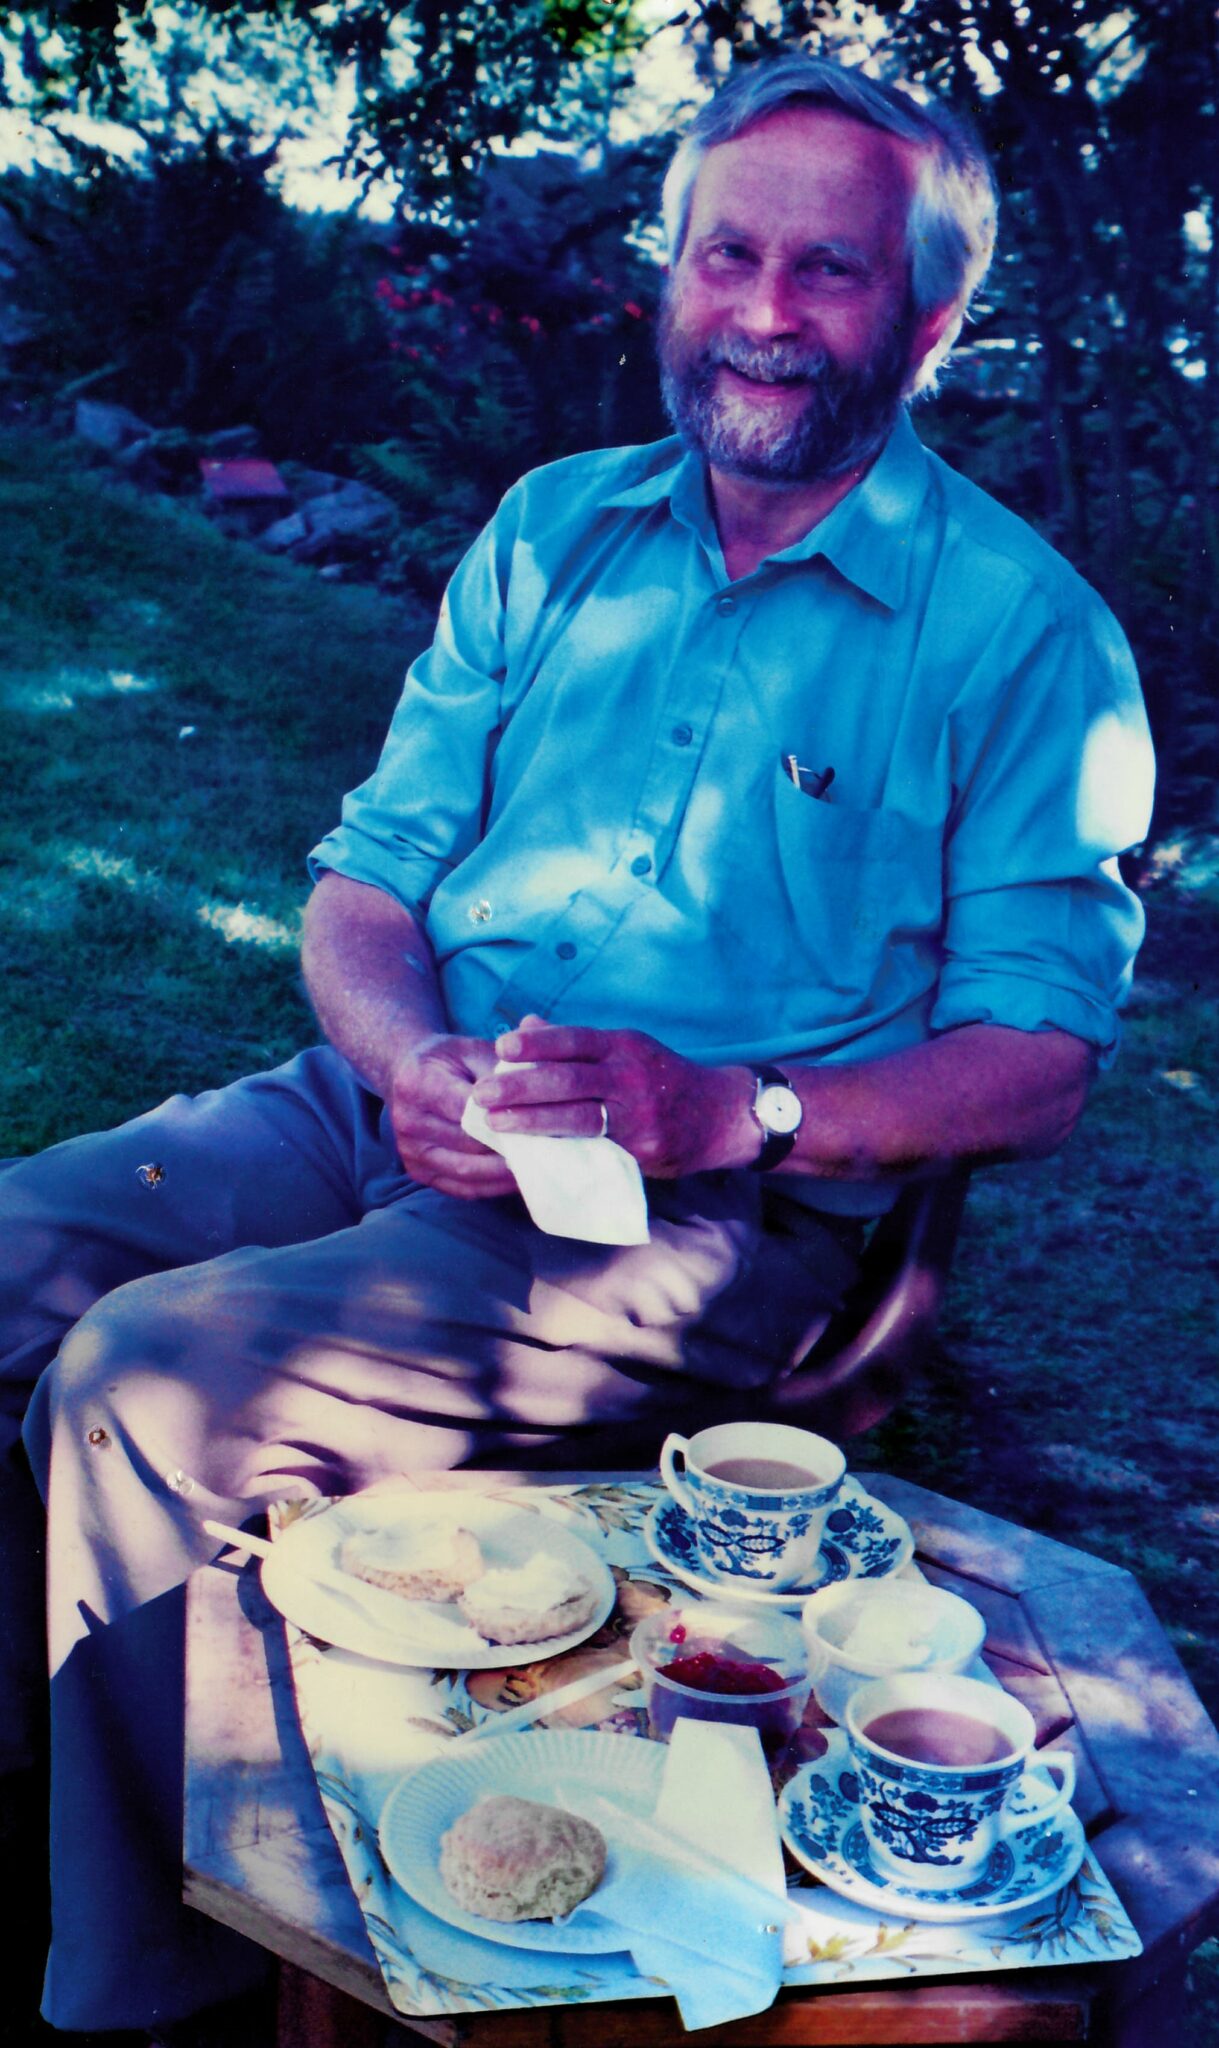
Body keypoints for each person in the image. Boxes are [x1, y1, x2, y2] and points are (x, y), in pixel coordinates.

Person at [0, 50, 1153, 2038]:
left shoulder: (1020, 636)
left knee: (150, 1385)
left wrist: (745, 1102)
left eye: (831, 270)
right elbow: (367, 884)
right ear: (674, 275)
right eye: (729, 255)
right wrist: (401, 1055)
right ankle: (60, 1786)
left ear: (932, 317)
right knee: (14, 1254)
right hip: (401, 1098)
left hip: (707, 1203)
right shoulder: (553, 532)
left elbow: (1037, 1055)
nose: (765, 310)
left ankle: (147, 1982)